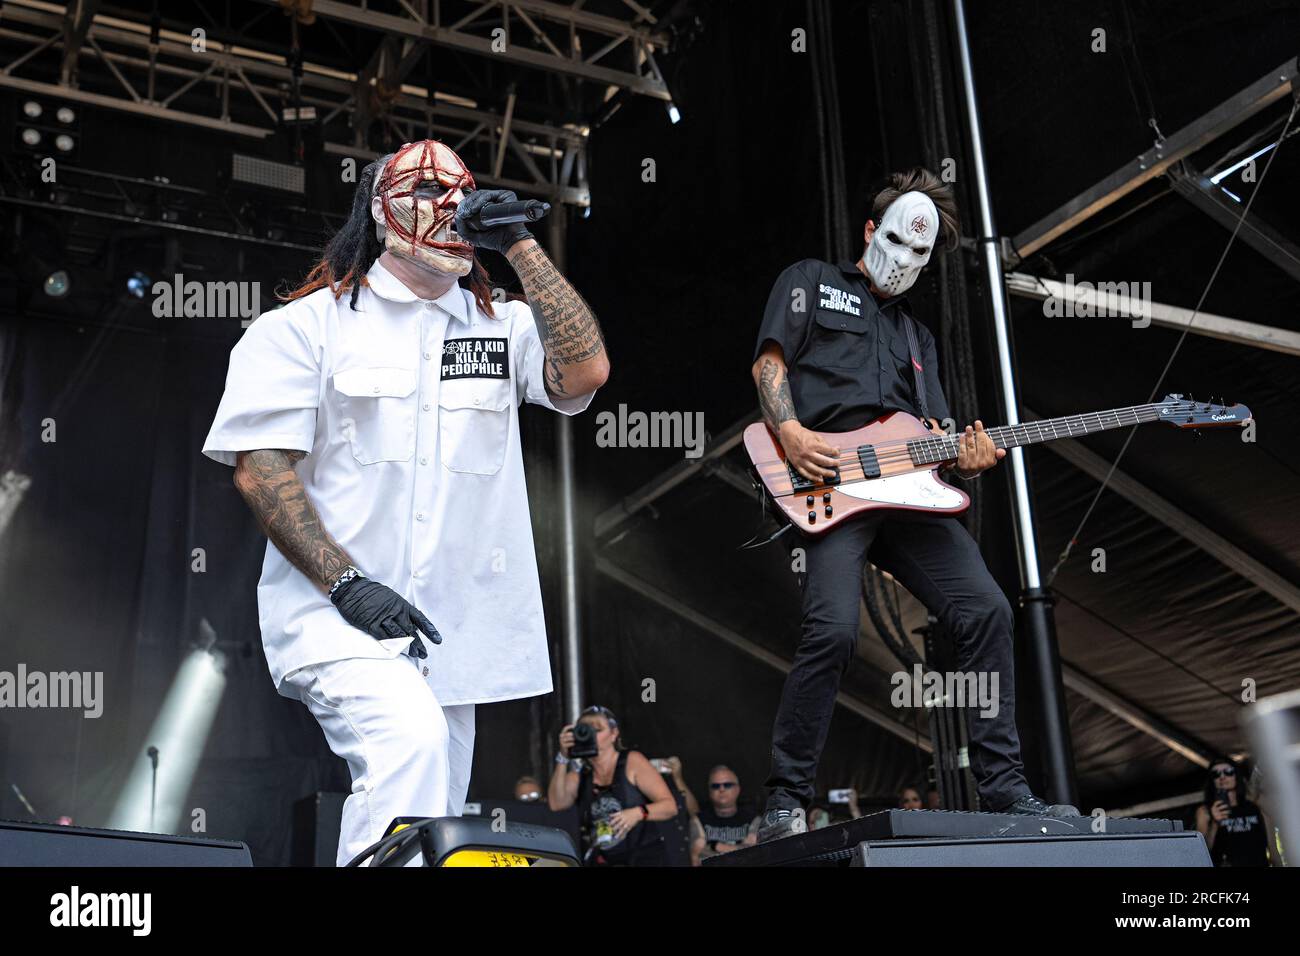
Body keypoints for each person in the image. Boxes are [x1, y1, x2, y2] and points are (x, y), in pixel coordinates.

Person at [203, 139, 608, 866]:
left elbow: (584, 373)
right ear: (379, 208)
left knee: (436, 817)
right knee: (407, 742)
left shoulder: (502, 325)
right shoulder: (306, 327)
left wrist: (519, 244)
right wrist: (348, 585)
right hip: (336, 617)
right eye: (423, 187)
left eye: (459, 191)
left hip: (452, 632)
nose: (445, 203)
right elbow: (261, 469)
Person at [751, 167, 1077, 842]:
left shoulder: (916, 339)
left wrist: (971, 457)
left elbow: (937, 440)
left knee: (986, 607)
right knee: (834, 631)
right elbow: (769, 365)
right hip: (828, 483)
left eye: (917, 255)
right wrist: (789, 429)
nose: (901, 261)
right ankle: (785, 796)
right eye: (894, 240)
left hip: (904, 494)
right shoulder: (812, 279)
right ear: (871, 231)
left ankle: (1008, 791)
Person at [546, 705, 678, 866]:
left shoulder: (631, 761)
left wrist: (637, 813)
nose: (592, 735)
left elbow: (670, 806)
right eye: (586, 730)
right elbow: (556, 803)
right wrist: (563, 757)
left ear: (614, 734)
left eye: (598, 729)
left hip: (644, 858)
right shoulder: (581, 776)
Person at [1195, 757, 1271, 867]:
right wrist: (1215, 823)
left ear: (1237, 775)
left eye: (1228, 772)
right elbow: (1200, 852)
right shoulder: (1205, 811)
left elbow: (1272, 846)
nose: (1222, 777)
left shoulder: (1254, 806)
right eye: (1216, 774)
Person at [696, 765, 760, 859]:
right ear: (709, 791)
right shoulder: (698, 820)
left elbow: (752, 853)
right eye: (715, 786)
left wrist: (715, 846)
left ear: (738, 789)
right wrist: (738, 848)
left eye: (727, 785)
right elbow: (696, 856)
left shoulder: (753, 818)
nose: (722, 789)